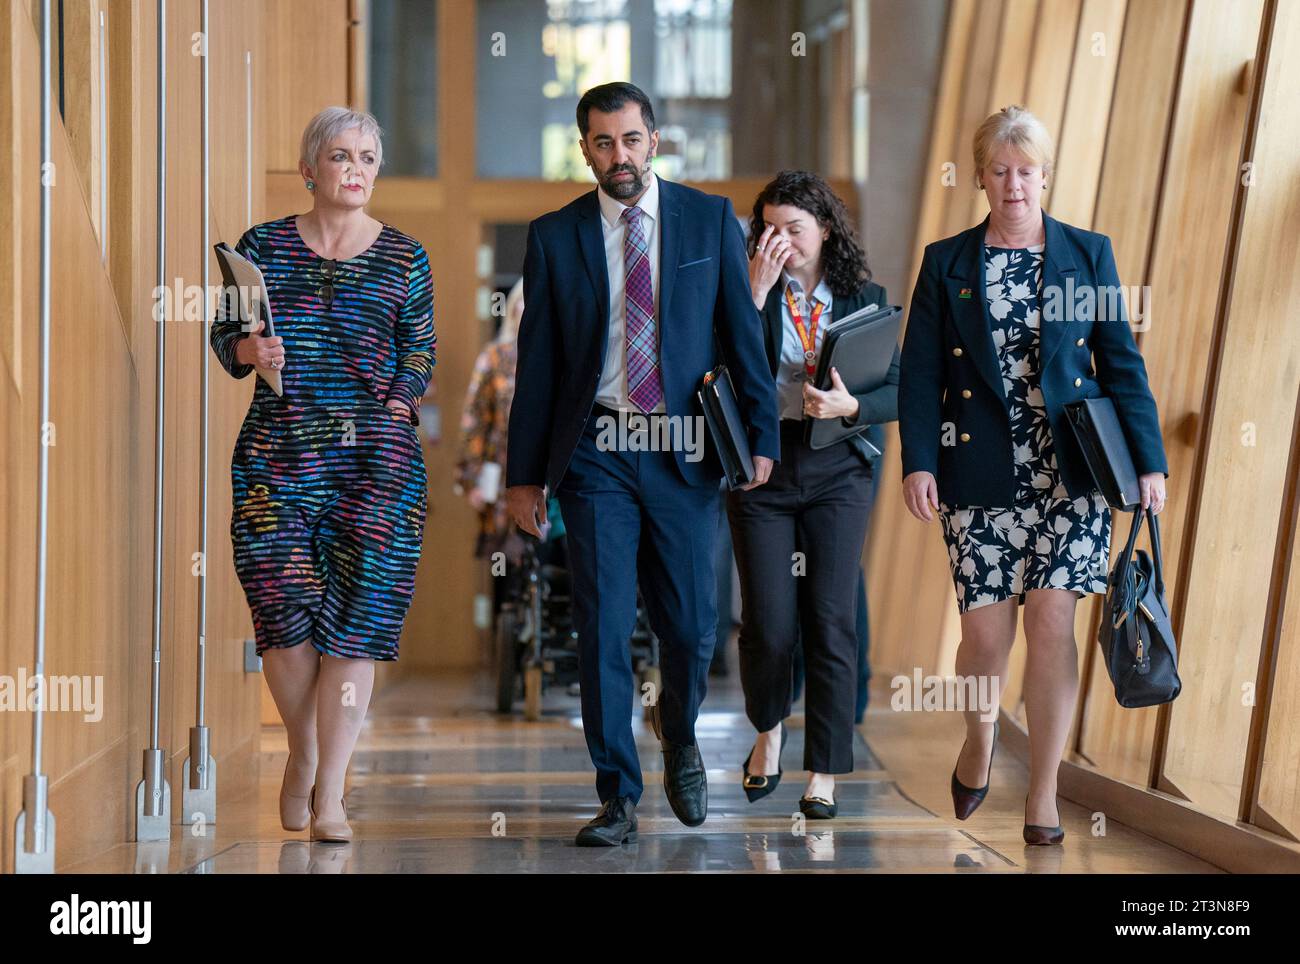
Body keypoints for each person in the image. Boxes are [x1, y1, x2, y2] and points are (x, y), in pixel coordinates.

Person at [505, 81, 779, 846]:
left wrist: (762, 437)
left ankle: (680, 732)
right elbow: (540, 365)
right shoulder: (555, 236)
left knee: (692, 628)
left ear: (654, 140)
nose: (617, 156)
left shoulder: (707, 218)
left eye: (629, 139)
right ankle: (616, 794)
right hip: (598, 450)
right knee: (600, 624)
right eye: (601, 142)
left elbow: (741, 337)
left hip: (683, 448)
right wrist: (525, 475)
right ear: (584, 148)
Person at [898, 105, 1168, 845]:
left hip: (1071, 473)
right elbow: (919, 373)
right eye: (999, 170)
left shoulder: (1087, 255)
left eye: (1026, 170)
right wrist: (919, 462)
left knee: (1053, 621)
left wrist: (1148, 461)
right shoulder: (947, 262)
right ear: (980, 176)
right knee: (986, 637)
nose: (1013, 183)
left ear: (1044, 174)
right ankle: (981, 736)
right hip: (977, 470)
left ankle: (1044, 791)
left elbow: (1120, 363)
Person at [209, 106, 435, 844]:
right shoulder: (262, 246)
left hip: (378, 462)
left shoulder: (406, 257)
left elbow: (420, 350)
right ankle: (302, 753)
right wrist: (250, 352)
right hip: (279, 453)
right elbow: (223, 334)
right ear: (310, 169)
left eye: (368, 157)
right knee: (283, 614)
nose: (356, 169)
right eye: (340, 156)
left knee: (357, 627)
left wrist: (399, 406)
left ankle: (332, 790)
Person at [729, 170, 898, 819]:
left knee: (830, 619)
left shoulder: (865, 296)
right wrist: (754, 291)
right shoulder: (749, 290)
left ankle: (824, 770)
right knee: (769, 621)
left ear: (824, 229)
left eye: (793, 230)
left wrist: (852, 403)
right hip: (764, 465)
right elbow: (718, 362)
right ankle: (768, 730)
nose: (782, 242)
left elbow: (896, 389)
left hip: (838, 468)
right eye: (769, 230)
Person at [456, 278, 526, 578]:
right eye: (525, 300)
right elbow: (475, 419)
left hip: (554, 478)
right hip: (501, 474)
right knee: (503, 566)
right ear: (512, 308)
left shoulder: (562, 355)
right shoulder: (495, 356)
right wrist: (470, 478)